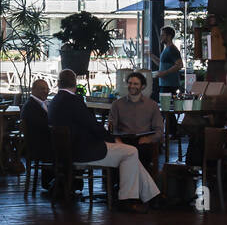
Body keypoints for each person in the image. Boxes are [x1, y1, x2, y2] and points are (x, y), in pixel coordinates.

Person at [48, 69, 160, 212]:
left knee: (130, 154)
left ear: (58, 83)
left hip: (68, 152)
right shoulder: (75, 101)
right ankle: (127, 200)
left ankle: (152, 195)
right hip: (85, 152)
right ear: (75, 84)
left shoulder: (54, 102)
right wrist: (113, 139)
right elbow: (93, 126)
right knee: (131, 151)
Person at [107, 71, 164, 172]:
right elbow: (112, 127)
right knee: (115, 153)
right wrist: (117, 140)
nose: (131, 86)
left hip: (143, 141)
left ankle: (138, 184)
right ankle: (118, 185)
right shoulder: (117, 104)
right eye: (129, 83)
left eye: (135, 84)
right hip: (123, 140)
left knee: (142, 153)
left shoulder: (152, 105)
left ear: (143, 86)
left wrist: (149, 139)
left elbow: (159, 130)